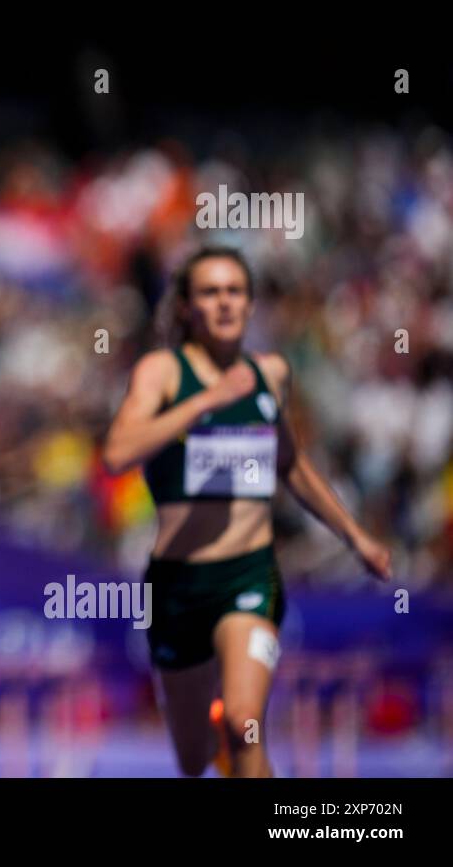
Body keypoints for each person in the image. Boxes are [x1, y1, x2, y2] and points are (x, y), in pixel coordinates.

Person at [103, 245, 390, 777]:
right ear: (187, 307)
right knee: (191, 760)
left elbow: (292, 466)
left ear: (251, 304)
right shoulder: (162, 372)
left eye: (235, 291)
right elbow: (118, 453)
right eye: (210, 293)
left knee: (243, 721)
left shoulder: (270, 374)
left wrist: (356, 536)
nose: (224, 303)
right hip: (177, 585)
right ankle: (215, 742)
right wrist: (202, 403)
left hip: (249, 573)